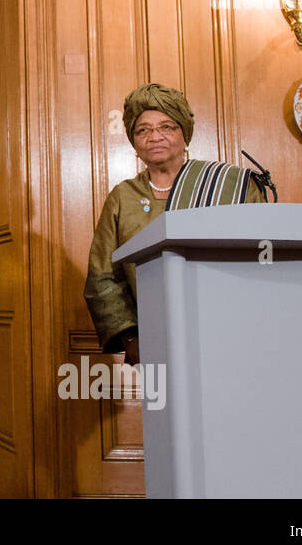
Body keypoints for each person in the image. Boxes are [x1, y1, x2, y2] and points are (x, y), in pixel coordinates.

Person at [84, 83, 265, 365]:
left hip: (231, 332)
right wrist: (131, 338)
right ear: (134, 142)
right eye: (143, 130)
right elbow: (103, 275)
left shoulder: (230, 186)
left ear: (184, 135)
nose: (154, 136)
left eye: (167, 127)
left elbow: (263, 256)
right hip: (155, 338)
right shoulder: (123, 197)